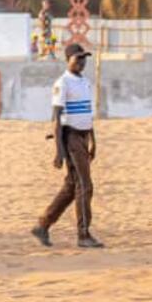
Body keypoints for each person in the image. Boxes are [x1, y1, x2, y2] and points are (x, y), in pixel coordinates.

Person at [32, 43, 103, 248]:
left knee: (72, 187)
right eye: (77, 58)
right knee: (85, 185)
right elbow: (56, 118)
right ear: (68, 60)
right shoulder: (62, 83)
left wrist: (93, 141)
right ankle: (83, 234)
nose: (81, 62)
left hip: (83, 136)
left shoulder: (86, 83)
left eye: (84, 58)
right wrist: (59, 152)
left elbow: (88, 114)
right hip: (69, 136)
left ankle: (43, 225)